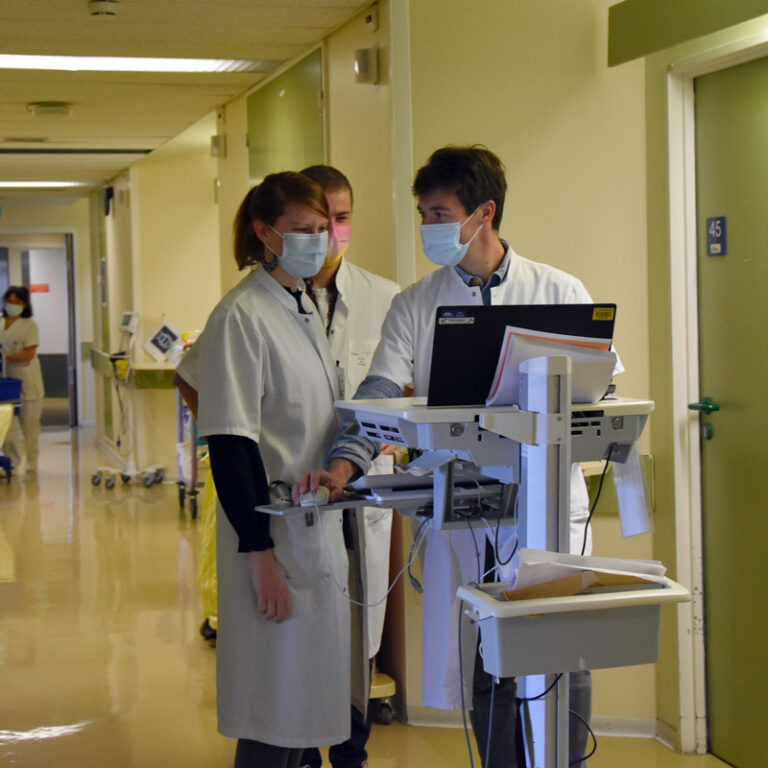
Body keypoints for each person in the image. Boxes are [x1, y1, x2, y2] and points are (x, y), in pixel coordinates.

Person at [295, 146, 617, 768]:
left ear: (484, 213)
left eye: (438, 213)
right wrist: (344, 464)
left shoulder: (559, 289)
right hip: (465, 507)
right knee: (485, 653)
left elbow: (600, 392)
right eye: (423, 214)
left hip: (547, 506)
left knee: (559, 649)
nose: (427, 228)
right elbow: (380, 396)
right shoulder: (417, 303)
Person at [194, 172, 351, 768]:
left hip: (312, 528)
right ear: (264, 233)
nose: (318, 242)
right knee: (273, 713)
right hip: (272, 536)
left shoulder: (301, 304)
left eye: (323, 229)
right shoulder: (241, 315)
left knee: (302, 710)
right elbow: (230, 444)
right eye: (302, 231)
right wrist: (259, 556)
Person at [298, 165, 399, 768]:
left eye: (342, 218)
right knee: (306, 625)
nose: (332, 233)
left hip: (364, 492)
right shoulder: (267, 298)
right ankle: (301, 745)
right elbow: (198, 379)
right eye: (319, 220)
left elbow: (407, 388)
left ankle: (350, 748)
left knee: (361, 626)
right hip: (296, 487)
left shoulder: (388, 297)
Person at [0, 286, 45, 476]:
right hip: (6, 381)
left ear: (24, 304)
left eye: (17, 302)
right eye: (9, 301)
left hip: (28, 380)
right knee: (7, 424)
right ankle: (12, 461)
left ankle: (32, 462)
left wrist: (6, 358)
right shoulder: (0, 321)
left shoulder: (29, 325)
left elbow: (29, 352)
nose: (12, 305)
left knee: (30, 424)